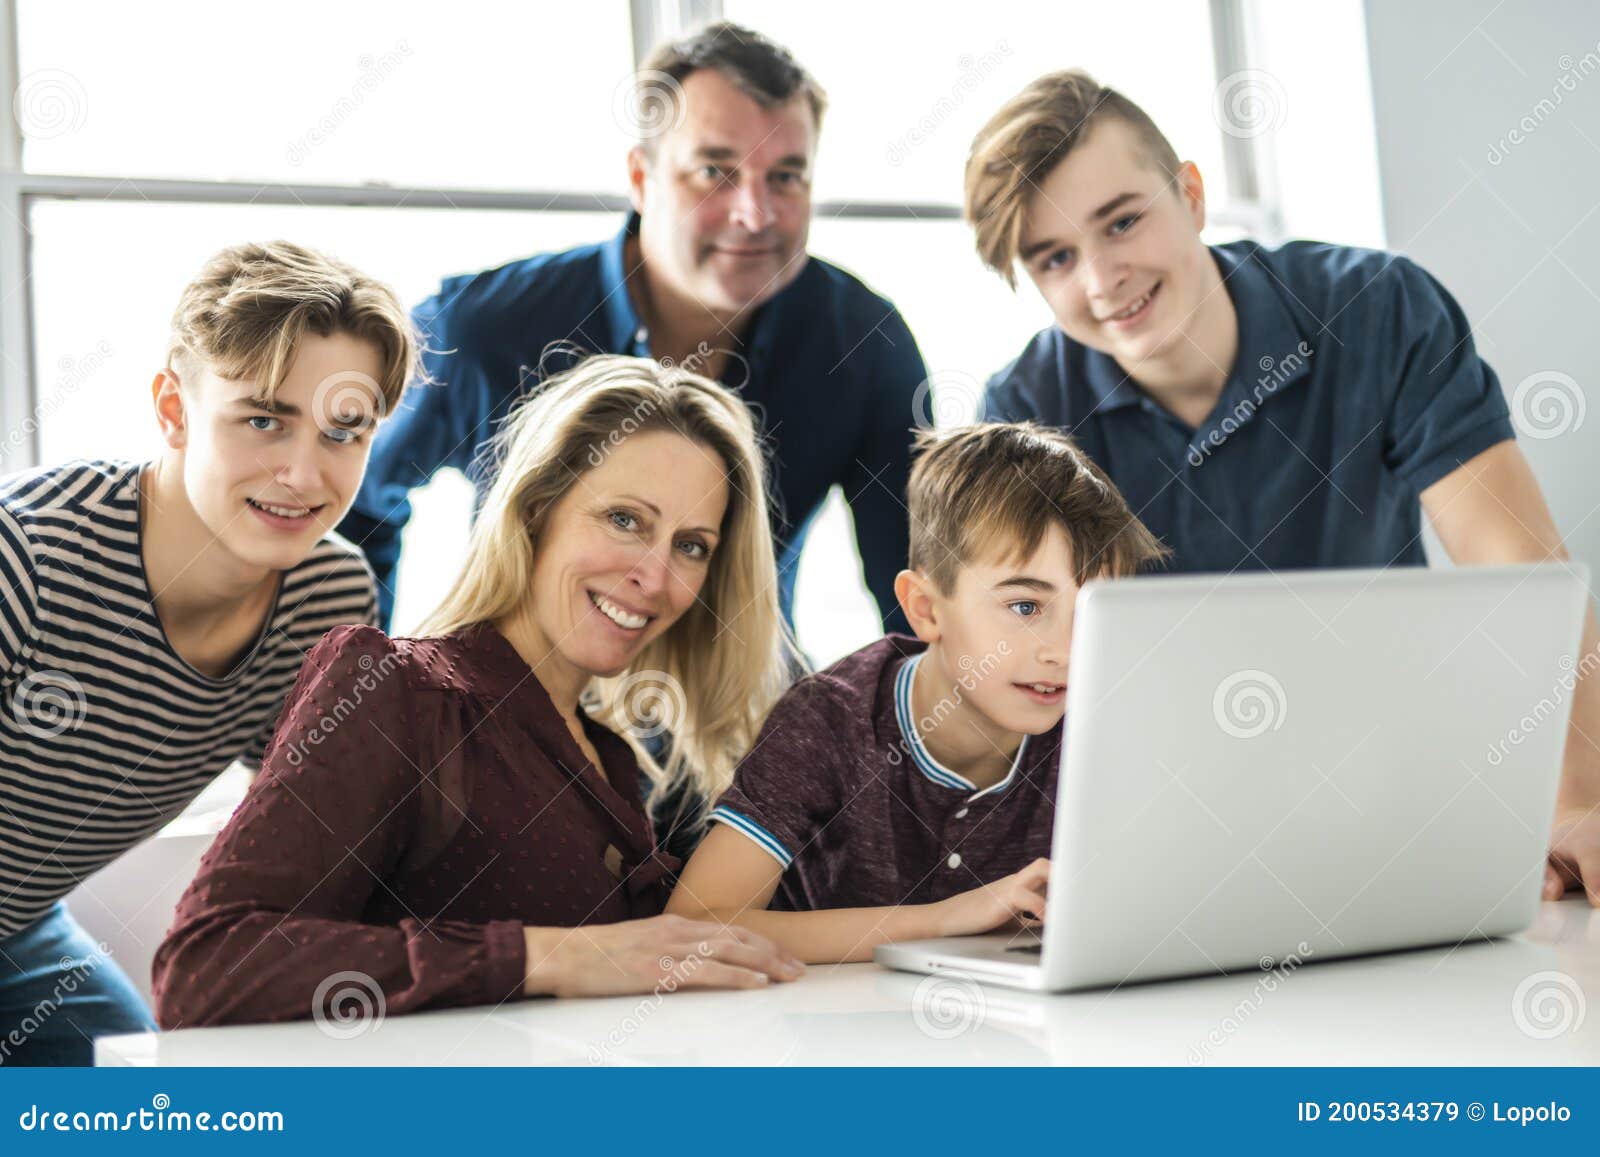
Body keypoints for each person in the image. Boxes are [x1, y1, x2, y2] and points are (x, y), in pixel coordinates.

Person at [967, 70, 1600, 906]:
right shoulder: (1023, 414)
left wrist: (1577, 803)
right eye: (1054, 258)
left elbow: (1519, 570)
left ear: (1190, 195)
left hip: (1395, 799)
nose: (1101, 279)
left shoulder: (1379, 310)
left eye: (1123, 221)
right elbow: (1017, 671)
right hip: (1161, 836)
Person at [152, 355, 805, 1028]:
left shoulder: (609, 756)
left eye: (692, 546)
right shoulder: (396, 689)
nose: (655, 575)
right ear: (535, 510)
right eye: (624, 519)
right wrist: (551, 956)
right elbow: (205, 969)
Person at [339, 21, 927, 637]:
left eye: (785, 177)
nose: (755, 214)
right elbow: (355, 509)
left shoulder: (865, 344)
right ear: (642, 179)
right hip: (516, 706)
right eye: (715, 172)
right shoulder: (484, 326)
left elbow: (915, 597)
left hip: (745, 709)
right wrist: (371, 676)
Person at [0, 242, 417, 1064]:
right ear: (174, 410)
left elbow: (316, 843)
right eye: (264, 419)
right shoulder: (28, 560)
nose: (303, 473)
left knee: (155, 1112)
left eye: (344, 431)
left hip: (21, 931)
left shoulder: (328, 597)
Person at [667, 423, 1166, 962]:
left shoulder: (1099, 723)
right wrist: (945, 921)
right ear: (926, 609)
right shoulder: (827, 721)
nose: (1064, 652)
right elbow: (694, 925)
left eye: (1090, 610)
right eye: (1025, 607)